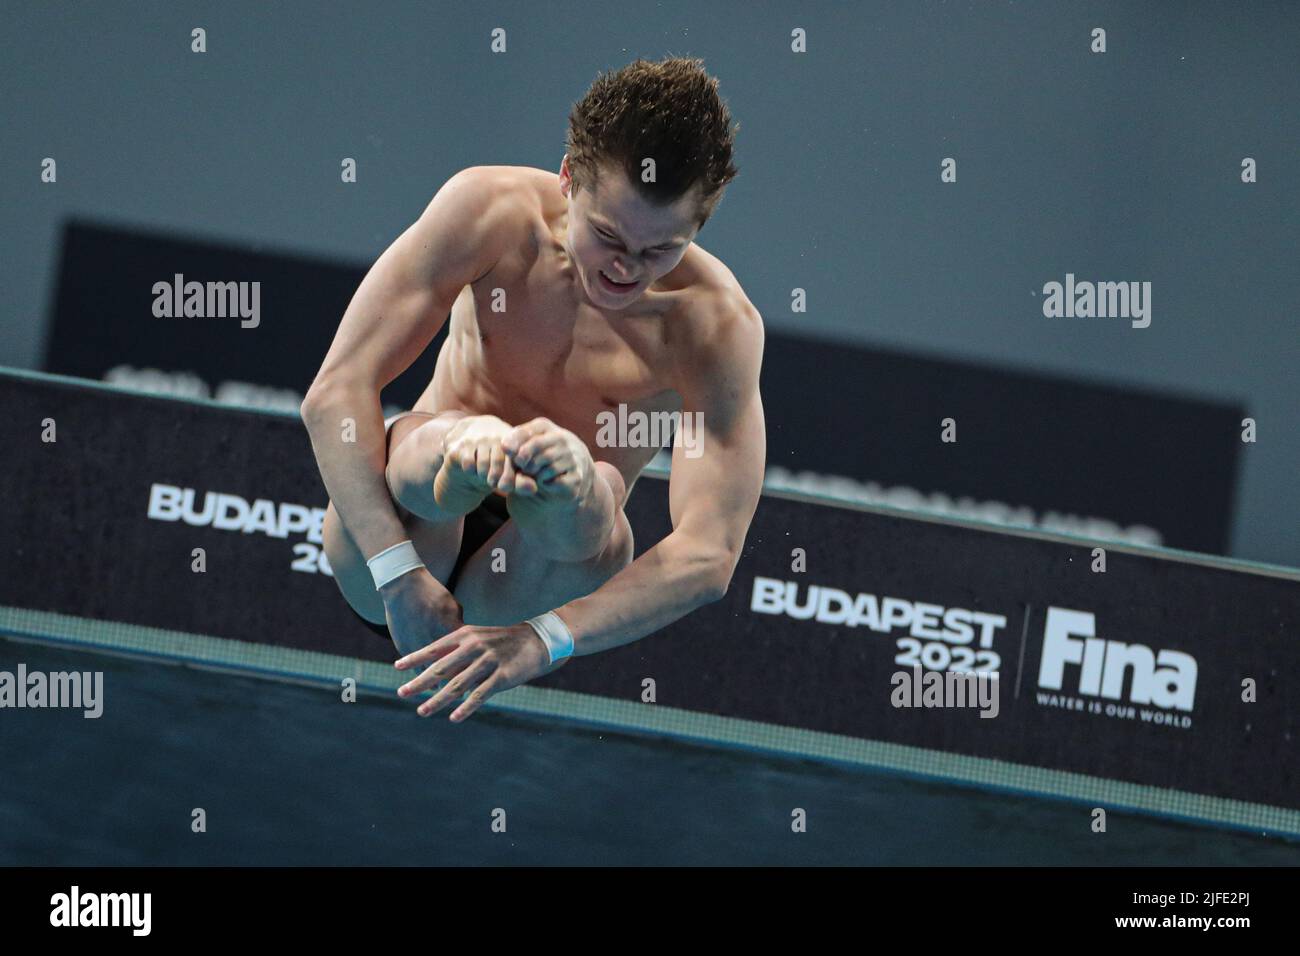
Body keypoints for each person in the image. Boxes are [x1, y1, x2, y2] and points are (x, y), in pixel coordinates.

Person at [301, 57, 765, 722]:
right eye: (607, 235)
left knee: (596, 493)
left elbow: (710, 554)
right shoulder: (489, 211)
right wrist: (397, 572)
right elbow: (335, 392)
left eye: (660, 251)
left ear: (699, 228)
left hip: (532, 577)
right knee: (439, 441)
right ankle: (474, 447)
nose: (626, 269)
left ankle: (559, 476)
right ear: (569, 177)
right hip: (406, 532)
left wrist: (545, 641)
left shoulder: (716, 326)